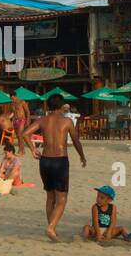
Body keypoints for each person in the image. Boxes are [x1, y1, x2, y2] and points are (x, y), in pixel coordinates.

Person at [20, 94, 86, 242]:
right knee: (62, 198)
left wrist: (33, 149)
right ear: (62, 106)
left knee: (50, 197)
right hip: (60, 161)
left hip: (45, 161)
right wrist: (82, 156)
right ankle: (51, 227)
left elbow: (25, 134)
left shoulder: (42, 120)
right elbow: (76, 140)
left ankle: (52, 228)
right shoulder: (67, 121)